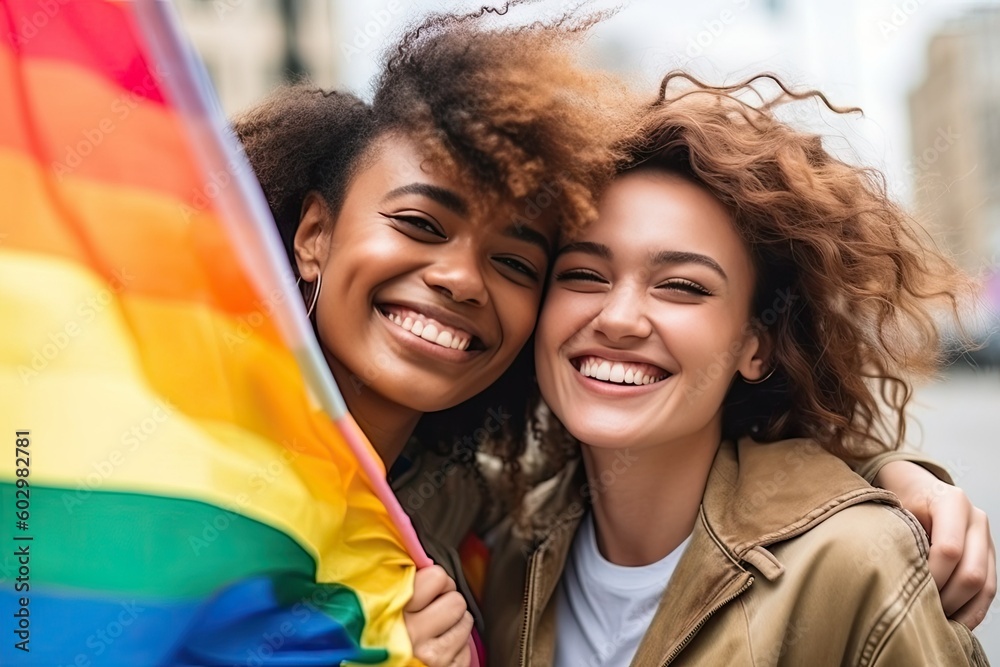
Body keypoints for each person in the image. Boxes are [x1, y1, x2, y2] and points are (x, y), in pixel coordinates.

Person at [483, 74, 994, 666]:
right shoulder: (499, 550)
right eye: (583, 275)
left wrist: (882, 491)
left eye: (681, 286)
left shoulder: (860, 565)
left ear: (757, 346)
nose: (618, 318)